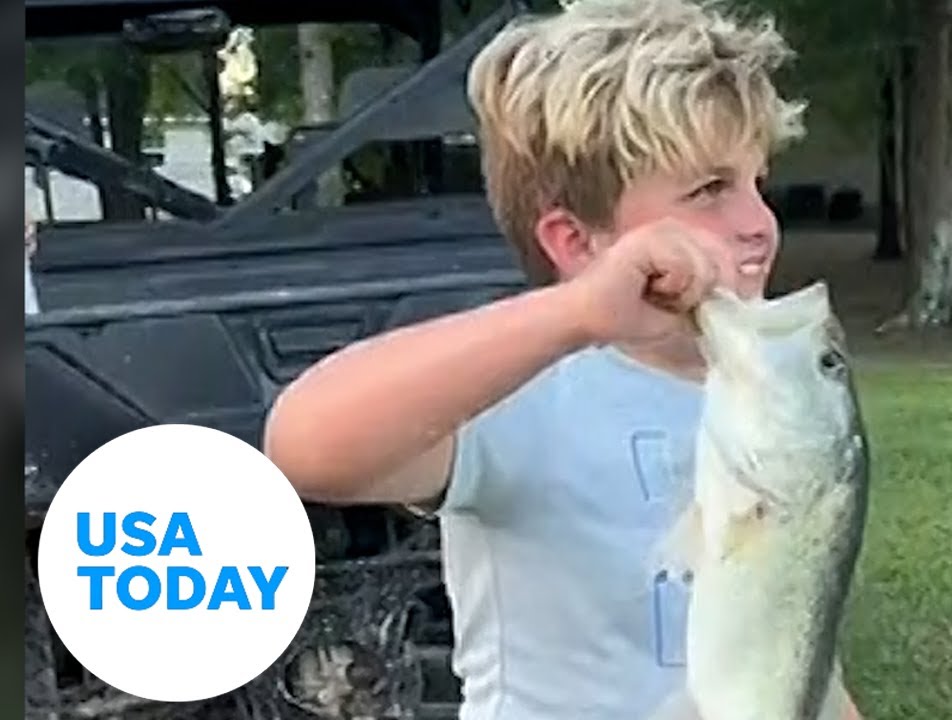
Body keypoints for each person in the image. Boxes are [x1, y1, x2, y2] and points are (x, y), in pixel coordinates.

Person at [263, 0, 863, 718]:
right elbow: (303, 445)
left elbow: (797, 647)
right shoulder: (524, 394)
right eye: (710, 190)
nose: (758, 224)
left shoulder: (774, 411)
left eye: (756, 181)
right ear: (578, 244)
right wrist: (576, 313)